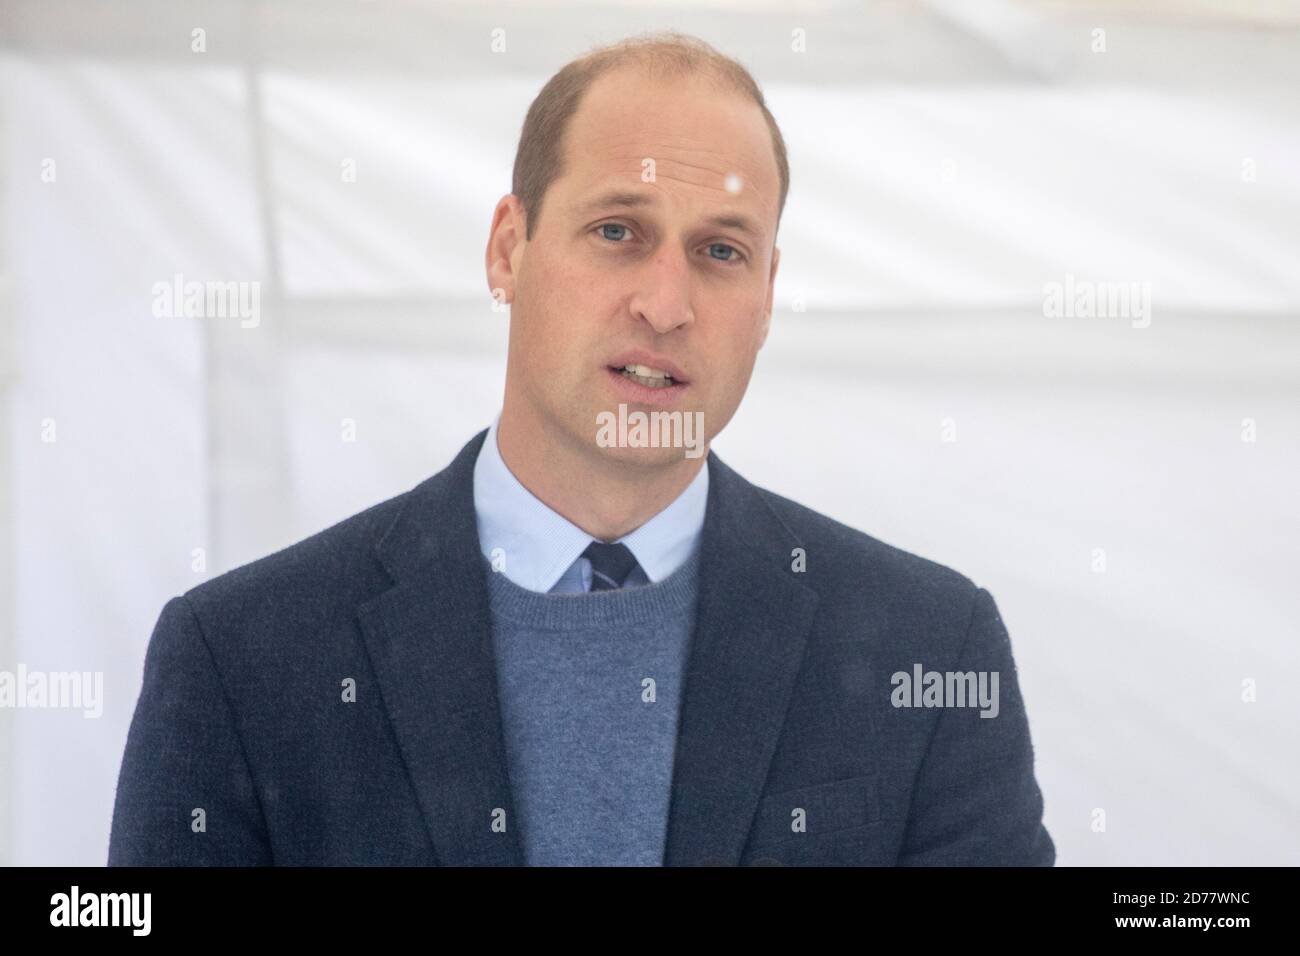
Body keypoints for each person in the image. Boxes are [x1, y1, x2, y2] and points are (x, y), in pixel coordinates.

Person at [109, 30, 1053, 867]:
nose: (666, 304)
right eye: (617, 232)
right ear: (507, 250)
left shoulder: (927, 650)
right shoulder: (243, 660)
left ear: (767, 296)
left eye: (722, 252)